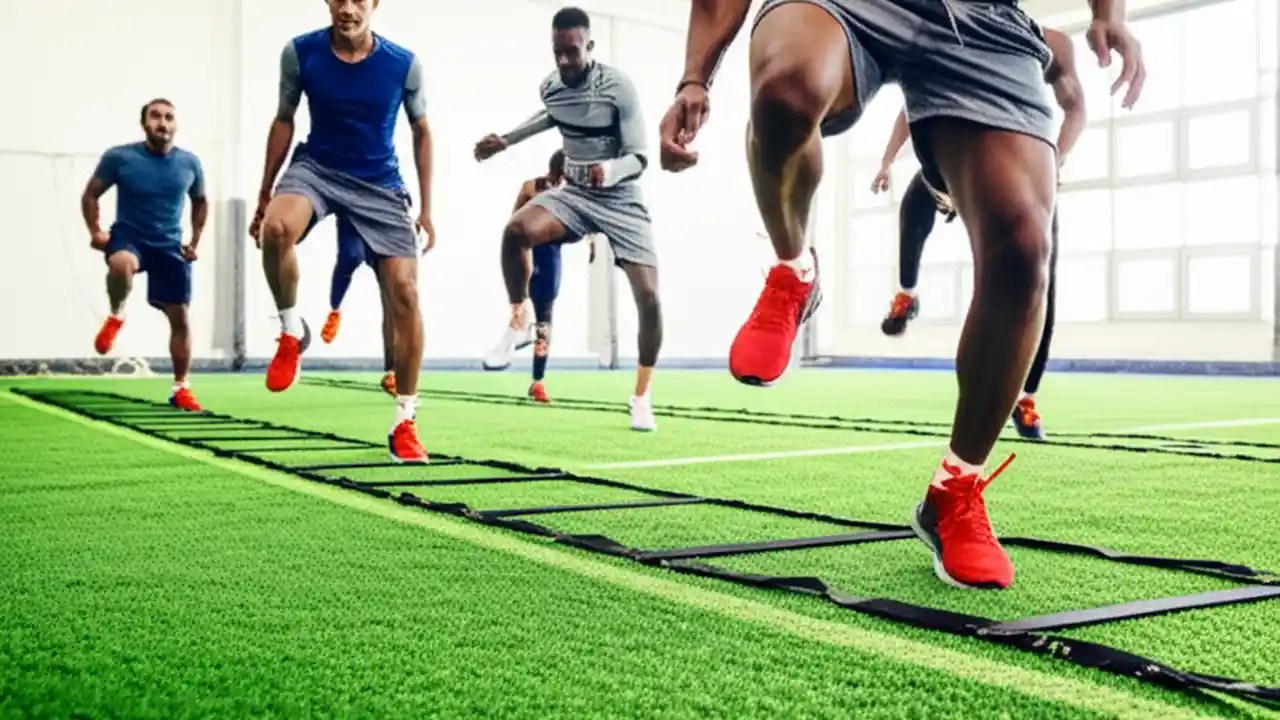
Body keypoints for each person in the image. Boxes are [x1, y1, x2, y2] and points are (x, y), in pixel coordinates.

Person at [658, 0, 1144, 589]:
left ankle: (955, 488)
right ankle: (794, 269)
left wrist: (1109, 13)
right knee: (786, 94)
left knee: (1022, 249)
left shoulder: (1056, 50)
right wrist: (693, 76)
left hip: (983, 21)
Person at [872, 27, 1087, 442]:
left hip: (1021, 172)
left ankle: (1025, 398)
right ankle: (906, 294)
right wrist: (886, 161)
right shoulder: (945, 26)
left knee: (1037, 282)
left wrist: (1054, 160)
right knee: (914, 206)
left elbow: (1076, 108)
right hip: (954, 162)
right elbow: (910, 106)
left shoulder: (1051, 43)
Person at [249, 0, 435, 463]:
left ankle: (405, 420)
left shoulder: (403, 64)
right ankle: (292, 332)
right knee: (275, 230)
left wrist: (428, 209)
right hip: (317, 169)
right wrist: (263, 193)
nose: (348, 9)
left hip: (379, 181)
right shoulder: (300, 53)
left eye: (359, 0)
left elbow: (422, 131)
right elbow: (285, 119)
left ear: (375, 4)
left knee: (406, 294)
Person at [474, 6, 661, 431]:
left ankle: (642, 396)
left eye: (572, 52)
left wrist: (609, 171)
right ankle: (519, 322)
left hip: (620, 196)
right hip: (575, 193)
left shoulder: (619, 88)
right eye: (557, 52)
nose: (563, 61)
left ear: (590, 47)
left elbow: (640, 158)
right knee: (516, 231)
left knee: (649, 299)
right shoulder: (552, 87)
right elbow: (549, 118)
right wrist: (504, 140)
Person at [83, 98, 208, 412]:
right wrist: (96, 232)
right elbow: (91, 194)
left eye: (168, 117)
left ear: (175, 125)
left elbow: (201, 202)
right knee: (122, 264)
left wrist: (195, 240)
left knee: (180, 318)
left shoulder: (189, 163)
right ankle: (117, 314)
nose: (162, 123)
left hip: (169, 244)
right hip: (130, 237)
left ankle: (181, 388)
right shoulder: (119, 157)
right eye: (156, 117)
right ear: (144, 123)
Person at [483, 150, 597, 404]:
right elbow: (514, 223)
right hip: (530, 256)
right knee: (527, 310)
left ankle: (537, 381)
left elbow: (584, 221)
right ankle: (518, 337)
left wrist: (592, 243)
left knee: (544, 322)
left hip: (549, 258)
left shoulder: (572, 195)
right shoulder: (532, 188)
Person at [321, 214, 398, 397]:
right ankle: (335, 309)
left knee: (393, 297)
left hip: (386, 215)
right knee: (350, 257)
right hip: (353, 213)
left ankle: (394, 373)